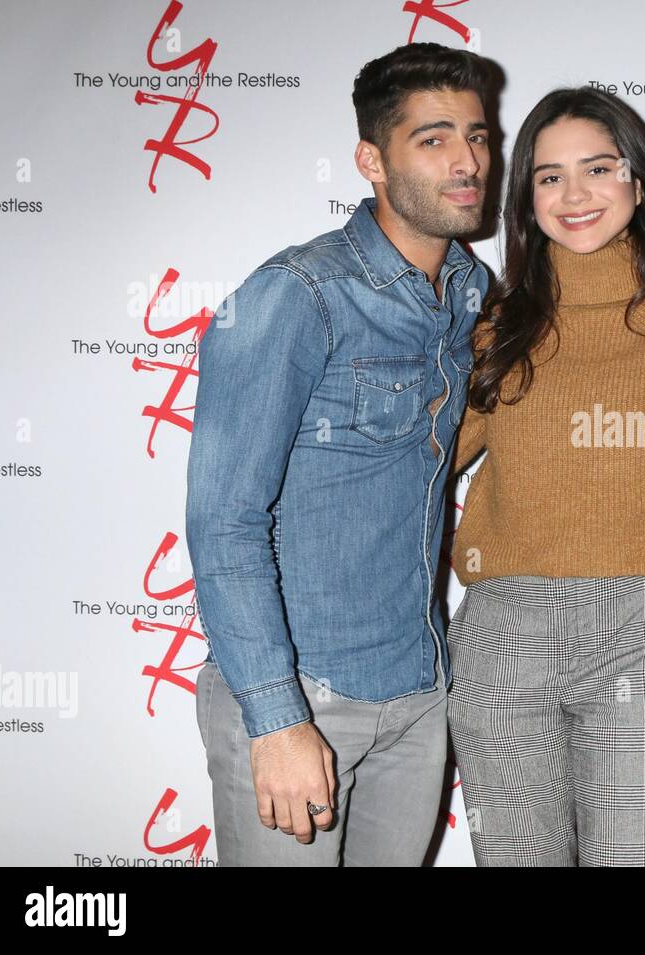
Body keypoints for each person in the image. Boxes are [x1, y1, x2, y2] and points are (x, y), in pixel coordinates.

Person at [185, 42, 495, 865]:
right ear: (371, 160)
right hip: (304, 695)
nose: (467, 161)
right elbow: (225, 520)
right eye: (432, 139)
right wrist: (277, 716)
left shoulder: (470, 291)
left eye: (477, 135)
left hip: (419, 693)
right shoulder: (299, 293)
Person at [445, 86, 645, 866]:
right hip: (504, 630)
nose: (574, 195)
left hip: (643, 629)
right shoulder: (496, 327)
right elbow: (420, 464)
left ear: (638, 182)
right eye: (549, 176)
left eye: (598, 168)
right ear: (526, 198)